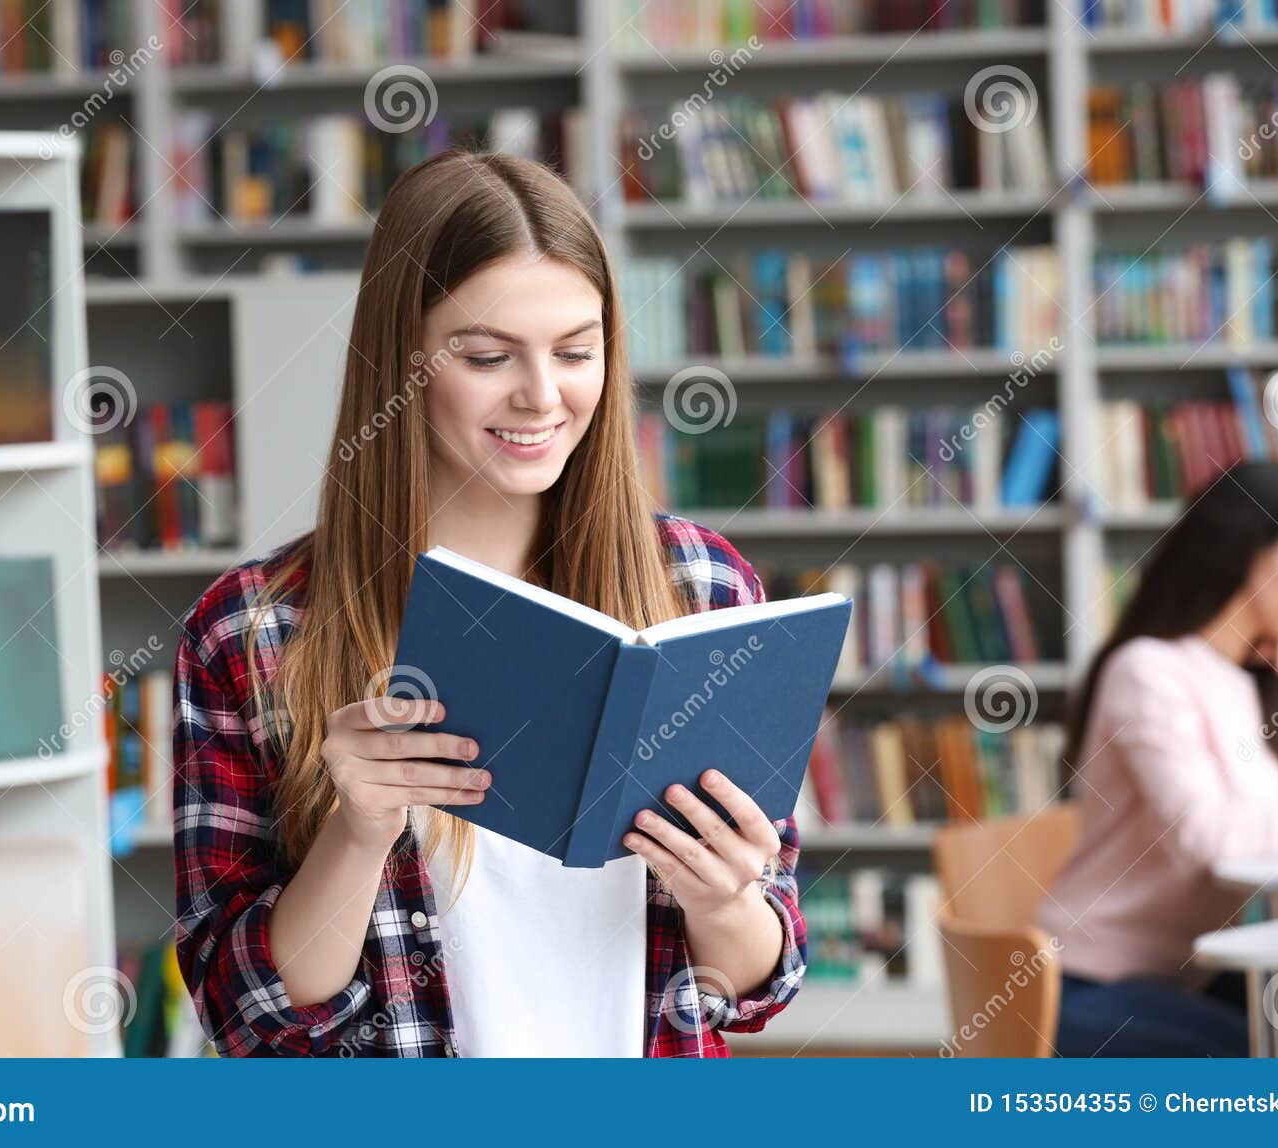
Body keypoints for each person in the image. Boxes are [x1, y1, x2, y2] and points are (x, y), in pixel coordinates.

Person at [171, 150, 807, 1058]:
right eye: (486, 355)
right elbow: (243, 1014)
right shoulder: (254, 632)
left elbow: (760, 987)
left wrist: (725, 899)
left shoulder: (701, 591)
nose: (543, 397)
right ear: (405, 360)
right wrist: (355, 836)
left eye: (576, 352)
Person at [1040, 461, 1278, 1056]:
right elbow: (1208, 838)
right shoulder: (1149, 672)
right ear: (1243, 550)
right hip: (1090, 981)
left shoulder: (1252, 686)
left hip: (1189, 973)